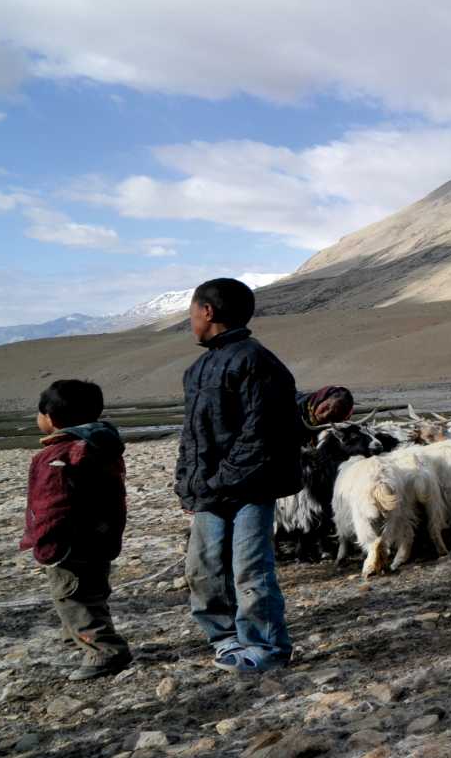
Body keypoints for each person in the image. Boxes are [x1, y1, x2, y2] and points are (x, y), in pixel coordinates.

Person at [175, 278, 302, 674]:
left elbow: (260, 432)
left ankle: (266, 648)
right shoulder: (197, 369)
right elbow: (193, 434)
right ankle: (225, 638)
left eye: (192, 312)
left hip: (248, 487)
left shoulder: (255, 361)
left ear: (207, 312)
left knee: (250, 567)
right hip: (210, 489)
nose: (190, 320)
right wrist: (188, 482)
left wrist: (220, 480)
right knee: (204, 568)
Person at [24, 379, 133, 681]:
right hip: (100, 535)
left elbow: (51, 504)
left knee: (73, 595)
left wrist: (44, 542)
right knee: (92, 591)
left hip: (68, 541)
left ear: (51, 417)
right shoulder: (101, 446)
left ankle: (104, 650)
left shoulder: (56, 456)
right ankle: (78, 636)